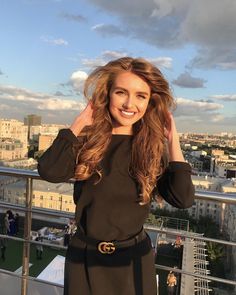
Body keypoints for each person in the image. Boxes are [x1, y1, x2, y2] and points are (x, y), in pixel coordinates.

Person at [37, 57, 195, 295]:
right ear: (107, 94)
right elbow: (50, 171)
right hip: (85, 258)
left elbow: (183, 198)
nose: (130, 103)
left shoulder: (151, 149)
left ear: (150, 101)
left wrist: (172, 139)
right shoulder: (88, 142)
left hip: (133, 260)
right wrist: (80, 122)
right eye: (121, 92)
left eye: (141, 95)